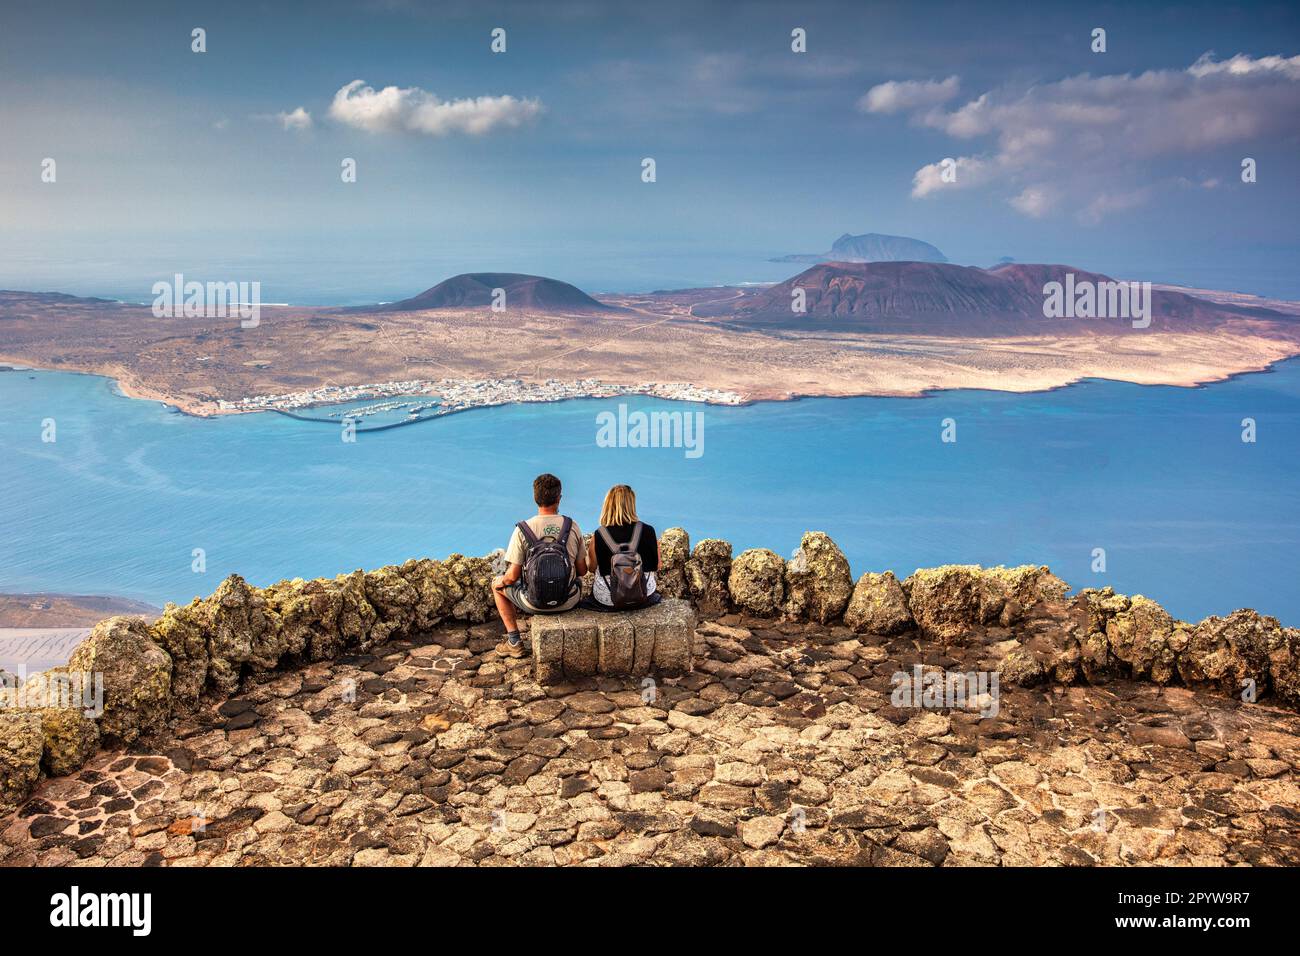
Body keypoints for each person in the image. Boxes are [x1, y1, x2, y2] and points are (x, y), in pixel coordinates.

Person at [492, 473, 587, 658]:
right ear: (559, 498)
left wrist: (500, 582)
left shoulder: (523, 529)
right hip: (568, 600)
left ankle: (514, 642)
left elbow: (512, 576)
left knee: (496, 585)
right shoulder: (572, 525)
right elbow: (582, 571)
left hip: (534, 603)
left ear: (535, 498)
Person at [585, 484, 660, 610]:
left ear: (608, 505)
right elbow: (657, 565)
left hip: (609, 598)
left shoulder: (599, 535)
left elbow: (592, 568)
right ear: (632, 504)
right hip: (643, 594)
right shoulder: (648, 530)